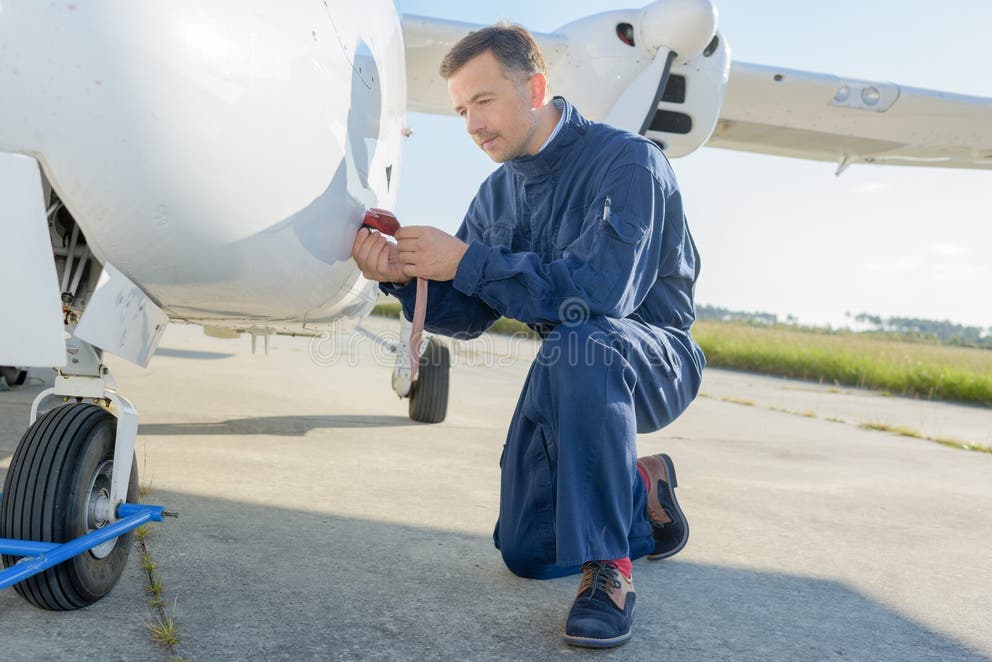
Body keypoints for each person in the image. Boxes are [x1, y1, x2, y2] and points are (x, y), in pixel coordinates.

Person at [351, 23, 704, 649]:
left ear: (536, 87)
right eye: (461, 110)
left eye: (482, 102)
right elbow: (469, 314)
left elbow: (601, 297)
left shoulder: (630, 164)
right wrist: (404, 281)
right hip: (568, 368)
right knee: (526, 552)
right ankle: (642, 494)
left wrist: (463, 260)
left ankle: (609, 572)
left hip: (650, 356)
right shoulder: (497, 193)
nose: (471, 125)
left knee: (581, 339)